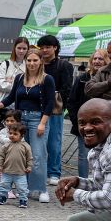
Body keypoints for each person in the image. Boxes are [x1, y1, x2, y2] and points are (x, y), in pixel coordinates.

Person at [0, 48, 56, 203]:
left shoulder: (47, 79)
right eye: (29, 60)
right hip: (21, 119)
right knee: (21, 154)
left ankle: (41, 189)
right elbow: (10, 98)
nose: (31, 63)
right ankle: (25, 188)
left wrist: (43, 124)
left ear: (40, 62)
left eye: (35, 60)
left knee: (38, 155)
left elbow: (50, 103)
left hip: (38, 119)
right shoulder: (19, 78)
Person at [37, 35, 75, 185]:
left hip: (54, 108)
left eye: (48, 47)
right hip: (37, 106)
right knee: (38, 141)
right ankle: (40, 171)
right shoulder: (38, 63)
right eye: (42, 47)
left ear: (55, 48)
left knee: (54, 141)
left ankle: (54, 172)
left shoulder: (64, 65)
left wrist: (60, 103)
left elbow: (67, 88)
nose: (45, 50)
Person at [68, 49, 108, 178]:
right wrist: (77, 121)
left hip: (103, 124)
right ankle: (84, 183)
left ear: (106, 61)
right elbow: (72, 101)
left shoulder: (109, 79)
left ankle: (101, 182)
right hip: (84, 124)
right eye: (95, 59)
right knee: (84, 154)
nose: (97, 61)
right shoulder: (82, 78)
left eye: (100, 59)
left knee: (104, 154)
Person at [0, 123, 33, 208]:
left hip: (20, 173)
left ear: (21, 135)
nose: (12, 135)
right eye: (10, 133)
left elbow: (29, 158)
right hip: (6, 172)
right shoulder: (6, 145)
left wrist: (29, 166)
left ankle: (23, 200)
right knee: (3, 185)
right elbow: (1, 156)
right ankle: (2, 197)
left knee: (22, 187)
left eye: (15, 134)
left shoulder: (26, 146)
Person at [0, 37, 28, 104]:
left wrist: (9, 81)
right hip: (0, 102)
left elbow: (28, 87)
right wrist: (18, 85)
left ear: (27, 50)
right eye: (19, 48)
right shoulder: (6, 64)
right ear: (14, 48)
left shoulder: (29, 66)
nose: (21, 51)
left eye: (24, 48)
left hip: (18, 104)